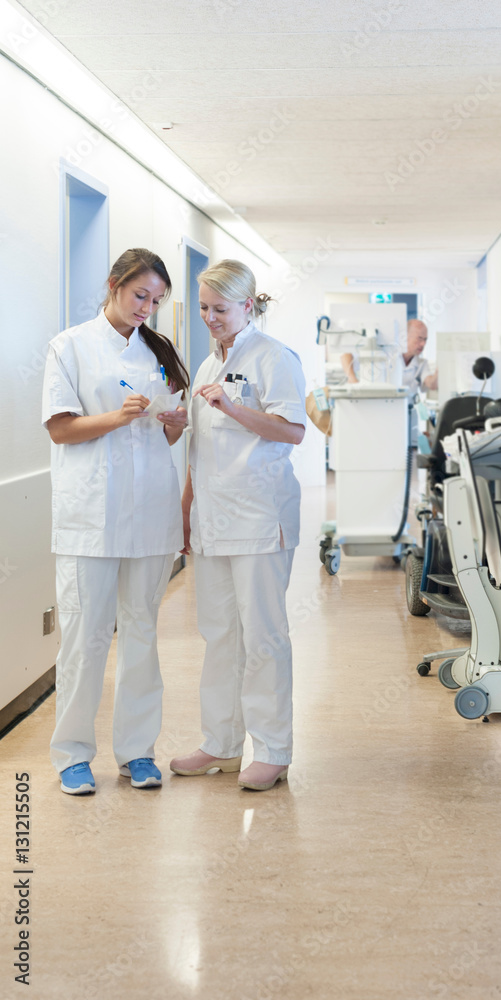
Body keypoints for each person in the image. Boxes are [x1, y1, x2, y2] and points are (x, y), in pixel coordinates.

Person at [42, 249, 189, 794]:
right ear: (114, 285)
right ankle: (73, 755)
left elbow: (168, 435)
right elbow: (60, 429)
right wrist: (116, 417)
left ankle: (137, 753)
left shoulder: (160, 351)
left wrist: (172, 423)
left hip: (150, 513)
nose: (147, 308)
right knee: (84, 638)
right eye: (139, 296)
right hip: (90, 518)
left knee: (144, 637)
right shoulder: (70, 346)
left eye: (155, 300)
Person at [170, 259, 306, 792]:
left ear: (248, 305)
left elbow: (292, 431)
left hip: (258, 516)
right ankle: (221, 744)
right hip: (212, 518)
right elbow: (200, 449)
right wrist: (186, 505)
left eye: (219, 308)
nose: (210, 318)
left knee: (264, 637)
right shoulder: (206, 367)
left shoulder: (275, 357)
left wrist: (232, 407)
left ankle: (273, 750)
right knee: (220, 634)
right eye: (203, 308)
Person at [340, 318, 438, 393]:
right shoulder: (388, 351)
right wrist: (352, 379)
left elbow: (431, 384)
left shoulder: (421, 363)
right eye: (419, 339)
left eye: (425, 340)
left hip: (405, 411)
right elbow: (346, 355)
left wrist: (440, 369)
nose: (423, 344)